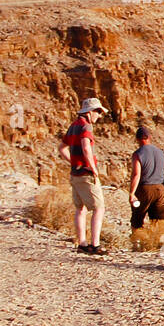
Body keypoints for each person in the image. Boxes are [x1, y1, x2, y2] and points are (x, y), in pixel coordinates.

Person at [59, 97, 108, 255]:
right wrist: (93, 169)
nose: (99, 116)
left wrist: (73, 162)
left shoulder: (73, 126)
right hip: (86, 174)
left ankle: (82, 243)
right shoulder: (86, 126)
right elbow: (86, 148)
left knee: (80, 209)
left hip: (75, 173)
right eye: (98, 112)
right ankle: (95, 245)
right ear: (89, 112)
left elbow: (61, 148)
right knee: (99, 208)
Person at [128, 126, 164, 230]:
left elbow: (136, 174)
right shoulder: (161, 153)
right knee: (162, 222)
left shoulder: (137, 154)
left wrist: (131, 193)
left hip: (144, 189)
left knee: (137, 220)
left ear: (137, 139)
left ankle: (138, 243)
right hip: (160, 189)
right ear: (149, 137)